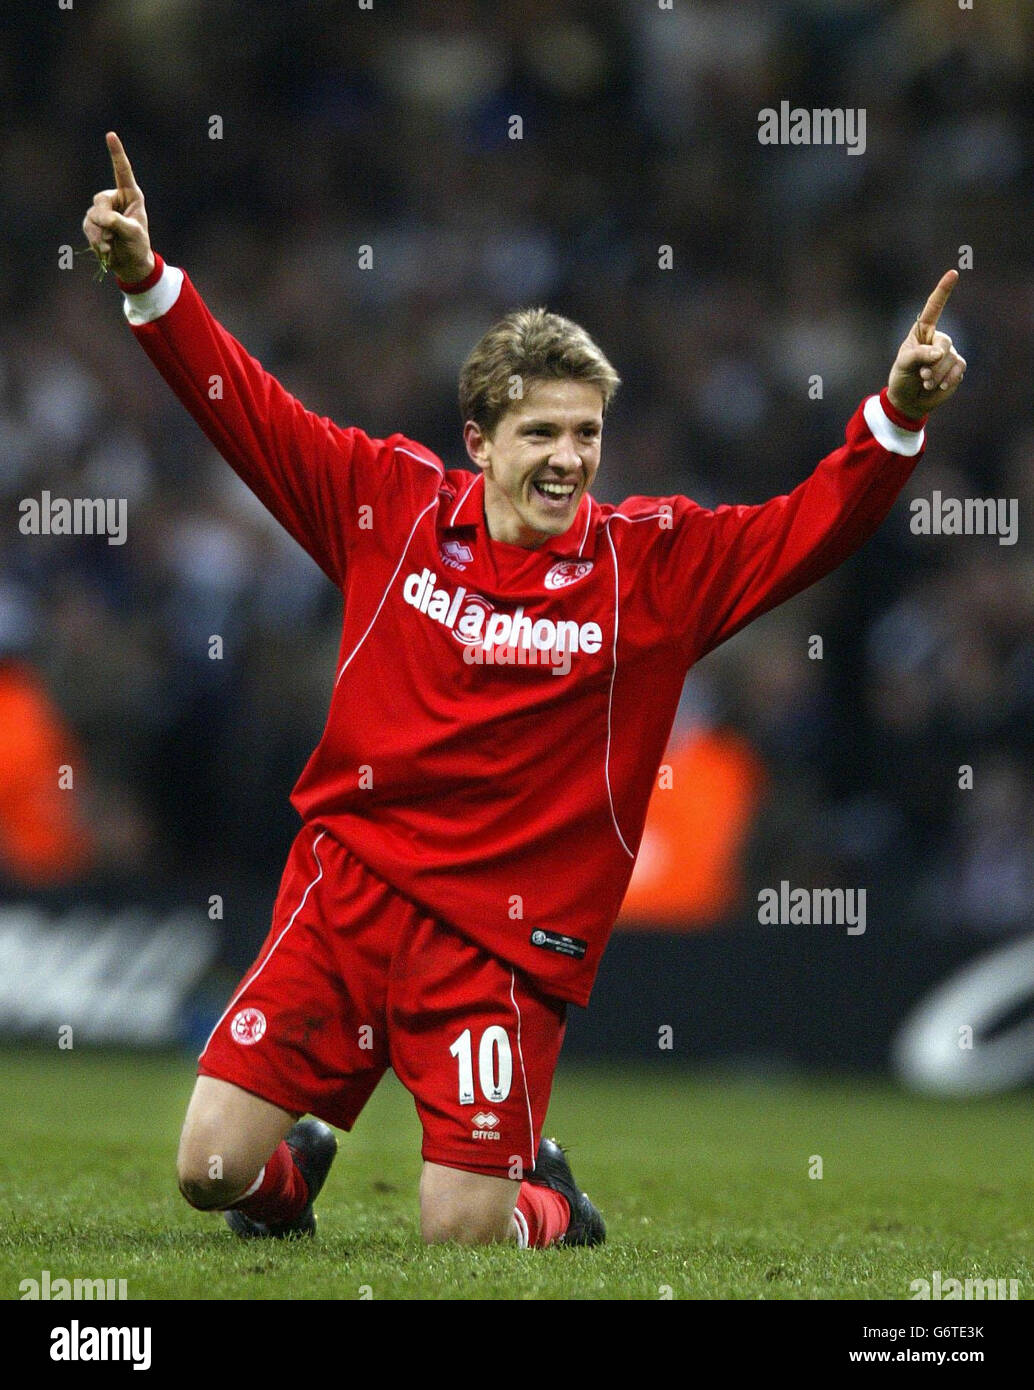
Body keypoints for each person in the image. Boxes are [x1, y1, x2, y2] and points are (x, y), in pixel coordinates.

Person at [82, 131, 966, 1248]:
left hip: (497, 946)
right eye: (540, 431)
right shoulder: (386, 505)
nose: (568, 457)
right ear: (478, 440)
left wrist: (892, 417)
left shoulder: (651, 566)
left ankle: (552, 1200)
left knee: (460, 1233)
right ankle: (289, 1183)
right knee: (210, 1170)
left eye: (586, 433)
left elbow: (806, 530)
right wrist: (146, 286)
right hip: (347, 894)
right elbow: (245, 411)